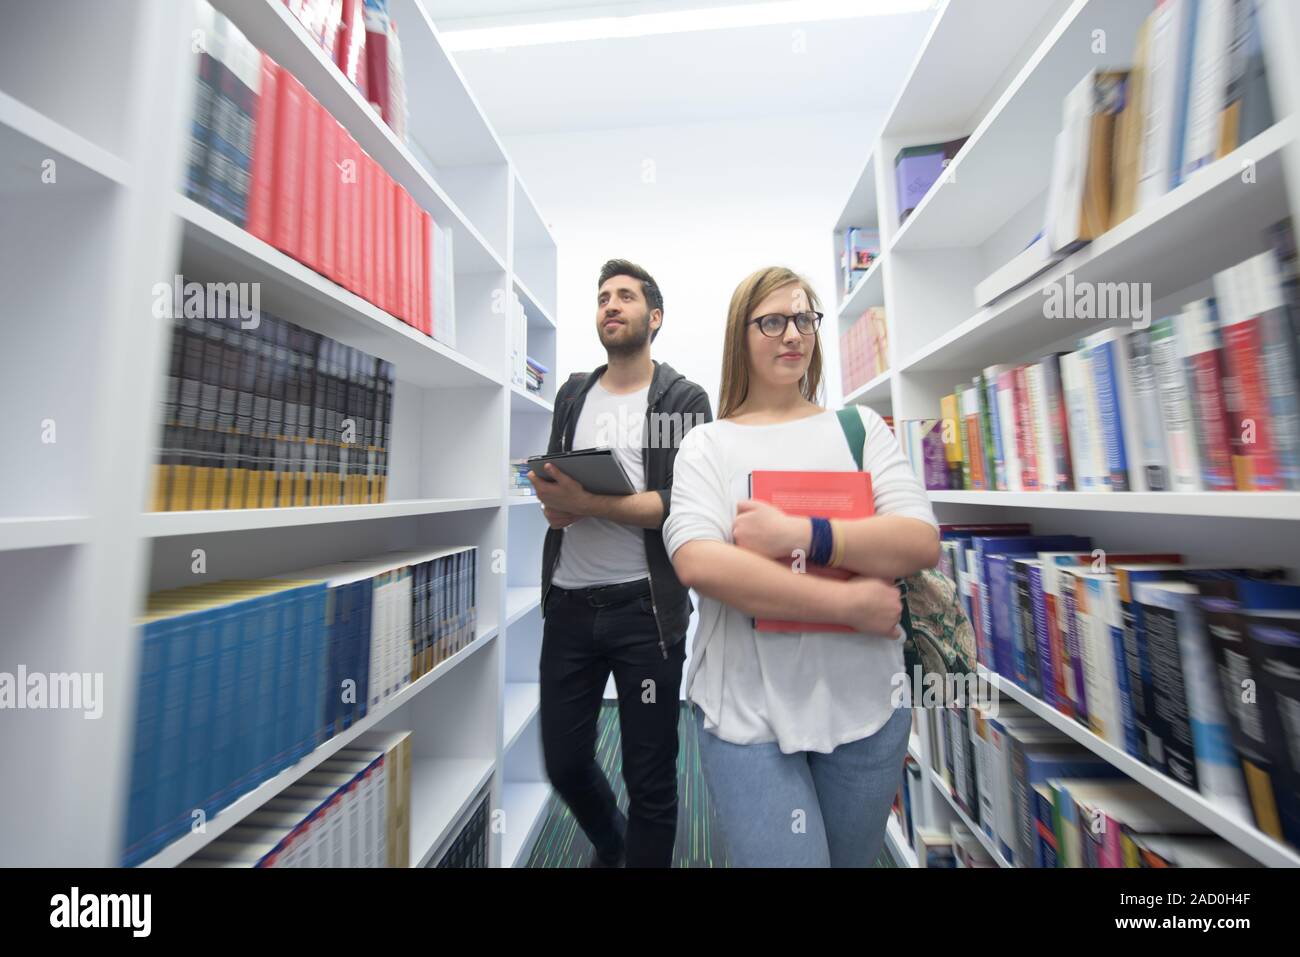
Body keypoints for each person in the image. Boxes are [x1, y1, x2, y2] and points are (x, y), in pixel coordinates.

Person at [662, 265, 939, 867]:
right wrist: (847, 603)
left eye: (805, 318)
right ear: (741, 334)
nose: (793, 334)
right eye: (773, 321)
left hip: (868, 706)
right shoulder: (707, 444)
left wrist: (799, 535)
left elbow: (918, 540)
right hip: (747, 713)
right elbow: (699, 562)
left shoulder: (858, 428)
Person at [529, 259, 712, 867]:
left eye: (626, 296)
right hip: (569, 607)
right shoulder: (574, 392)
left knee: (650, 774)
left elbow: (681, 505)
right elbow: (561, 481)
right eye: (603, 296)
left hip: (646, 614)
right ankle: (614, 846)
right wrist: (558, 504)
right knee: (564, 761)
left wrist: (589, 502)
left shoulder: (679, 398)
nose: (611, 304)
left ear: (653, 318)